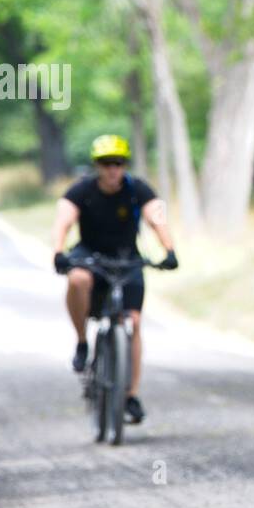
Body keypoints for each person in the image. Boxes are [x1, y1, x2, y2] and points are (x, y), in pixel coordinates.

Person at [50, 135, 178, 423]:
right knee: (77, 280)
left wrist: (169, 250)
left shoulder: (137, 189)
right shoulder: (82, 189)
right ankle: (82, 341)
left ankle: (130, 394)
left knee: (132, 321)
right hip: (90, 256)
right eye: (107, 164)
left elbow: (156, 218)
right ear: (97, 165)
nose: (112, 169)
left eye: (118, 164)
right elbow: (63, 220)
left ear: (125, 165)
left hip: (126, 258)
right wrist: (58, 251)